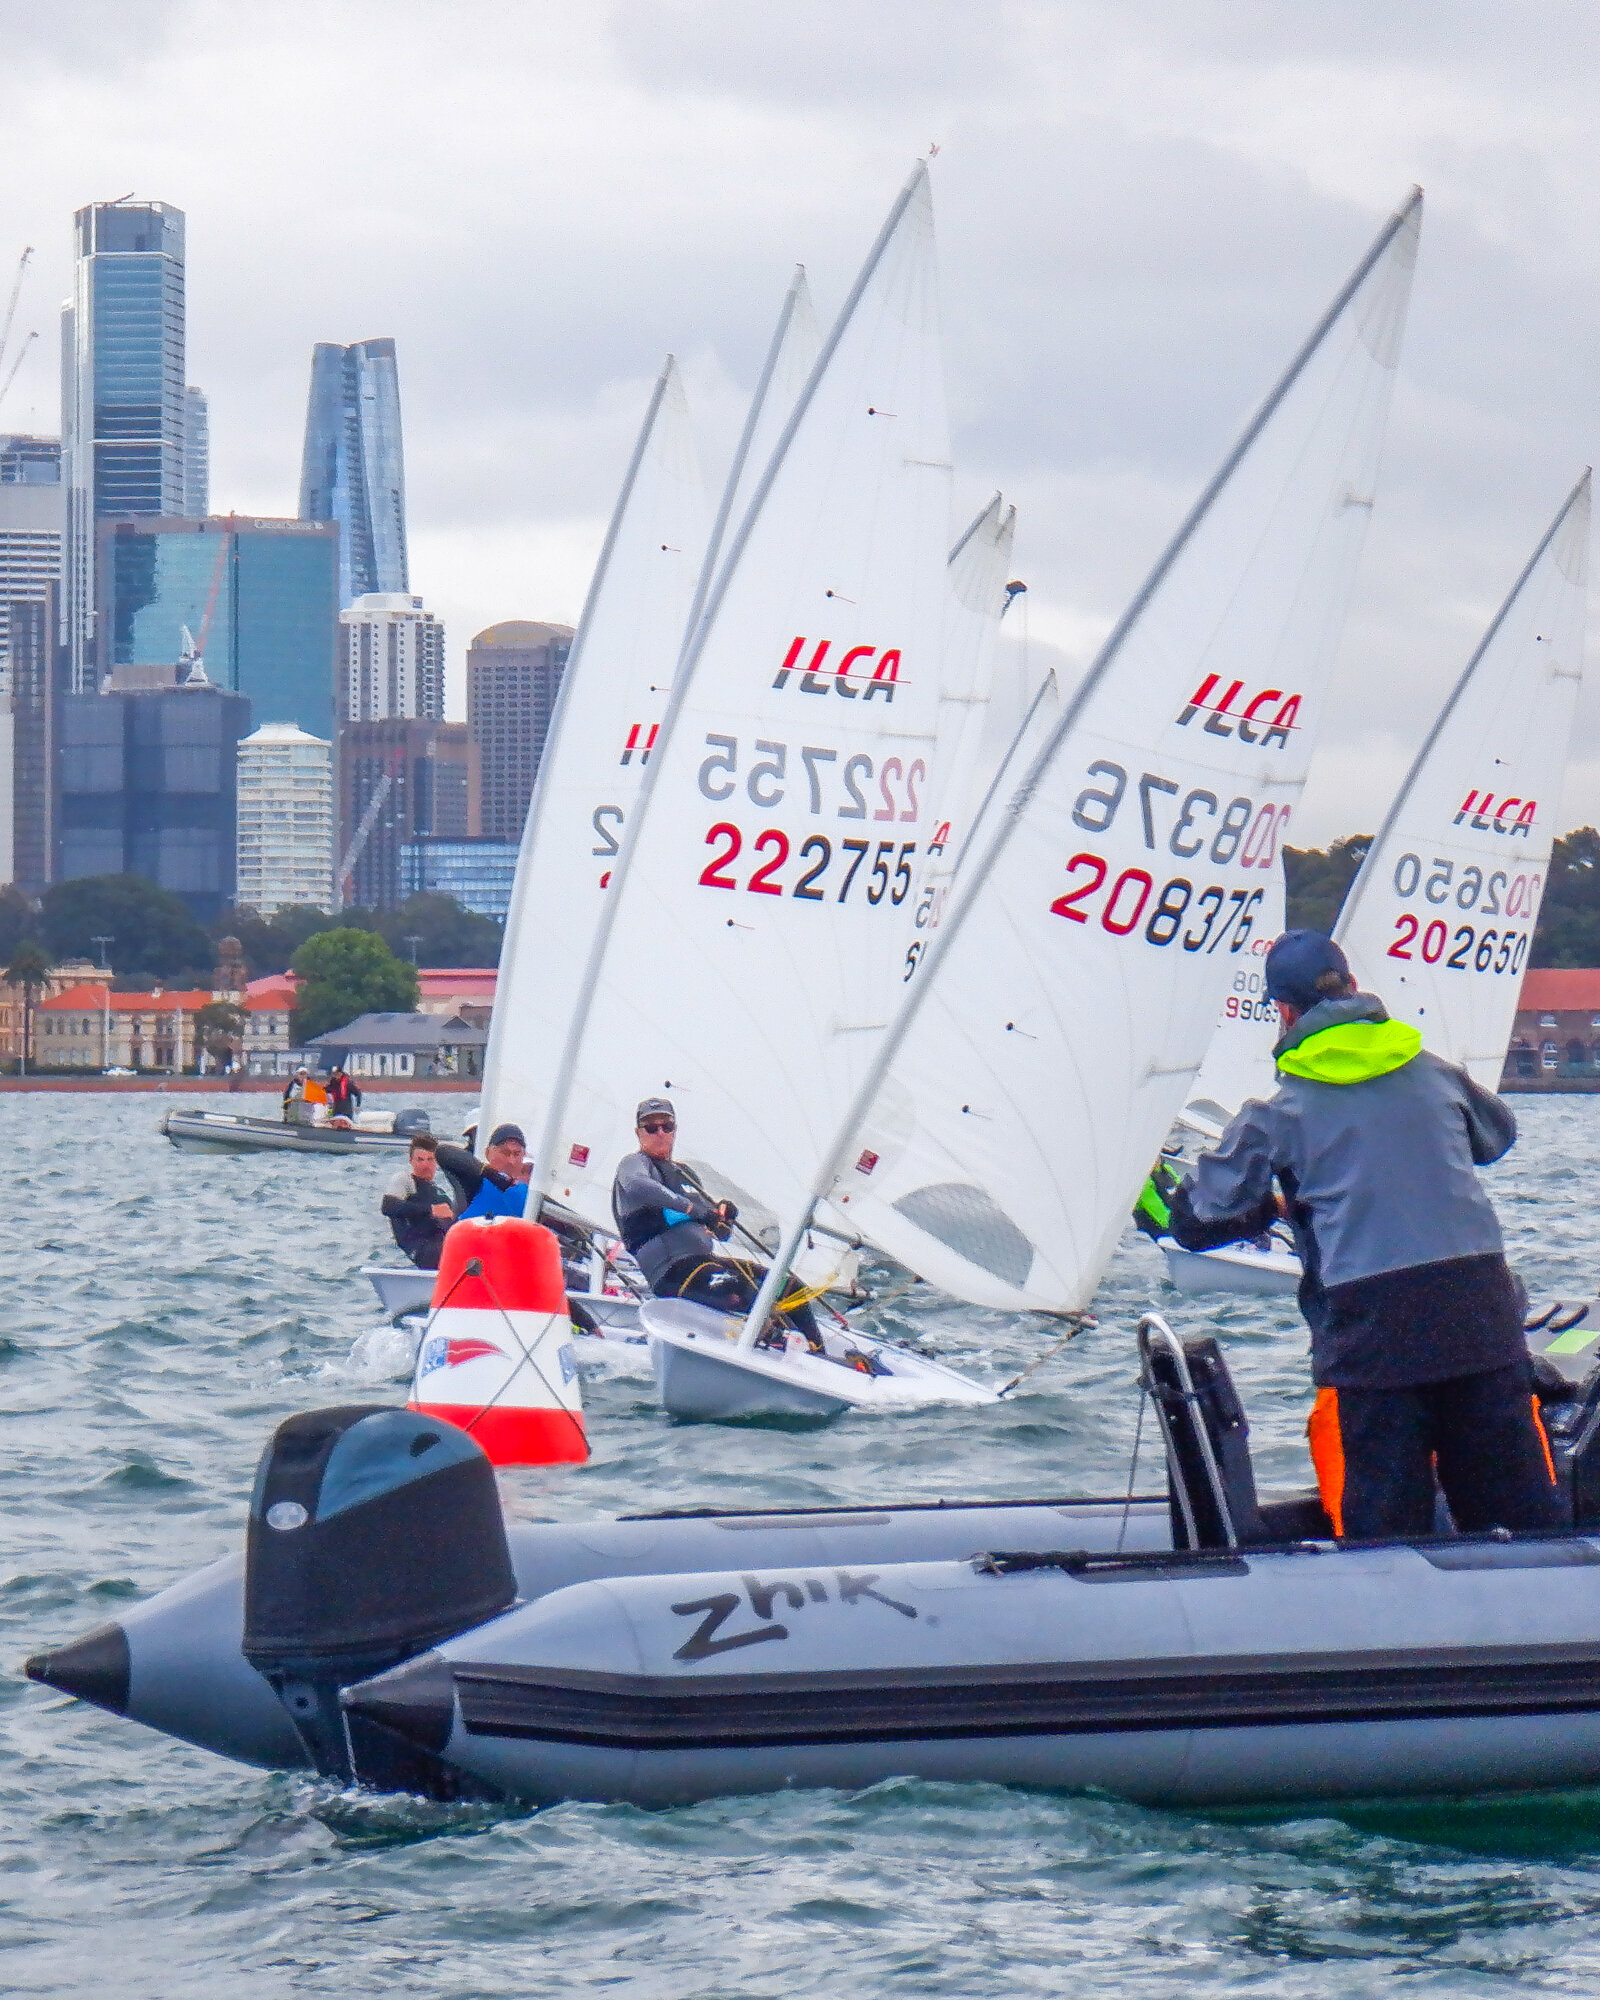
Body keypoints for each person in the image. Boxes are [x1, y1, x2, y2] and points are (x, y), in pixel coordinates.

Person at [1164, 930, 1563, 1542]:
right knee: (1517, 1518)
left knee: (1387, 1531)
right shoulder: (1436, 1073)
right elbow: (1496, 1137)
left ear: (1285, 1012)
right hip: (1480, 1309)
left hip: (1375, 1329)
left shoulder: (1279, 1112)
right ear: (1353, 987)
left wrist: (1266, 1206)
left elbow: (1199, 1221)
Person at [612, 1097, 824, 1350]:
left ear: (675, 1130)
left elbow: (719, 1233)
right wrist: (695, 1210)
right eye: (650, 1127)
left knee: (789, 1286)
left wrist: (723, 1216)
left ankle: (816, 1351)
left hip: (705, 1262)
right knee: (740, 1291)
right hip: (671, 1271)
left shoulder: (685, 1174)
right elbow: (638, 1186)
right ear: (638, 1133)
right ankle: (780, 1342)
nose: (659, 1133)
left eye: (666, 1126)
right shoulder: (634, 1164)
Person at [380, 1134, 458, 1270]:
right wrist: (431, 1210)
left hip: (443, 1244)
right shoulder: (405, 1180)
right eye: (420, 1160)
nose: (425, 1165)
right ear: (411, 1161)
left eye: (430, 1159)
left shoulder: (439, 1192)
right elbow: (388, 1206)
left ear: (437, 1162)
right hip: (421, 1249)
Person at [326, 1063, 363, 1128]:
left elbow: (358, 1093)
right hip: (336, 1110)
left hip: (346, 1111)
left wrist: (358, 1105)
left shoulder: (348, 1083)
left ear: (341, 1073)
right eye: (334, 1074)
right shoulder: (332, 1083)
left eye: (337, 1073)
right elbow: (326, 1091)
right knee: (336, 1127)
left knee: (346, 1127)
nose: (335, 1075)